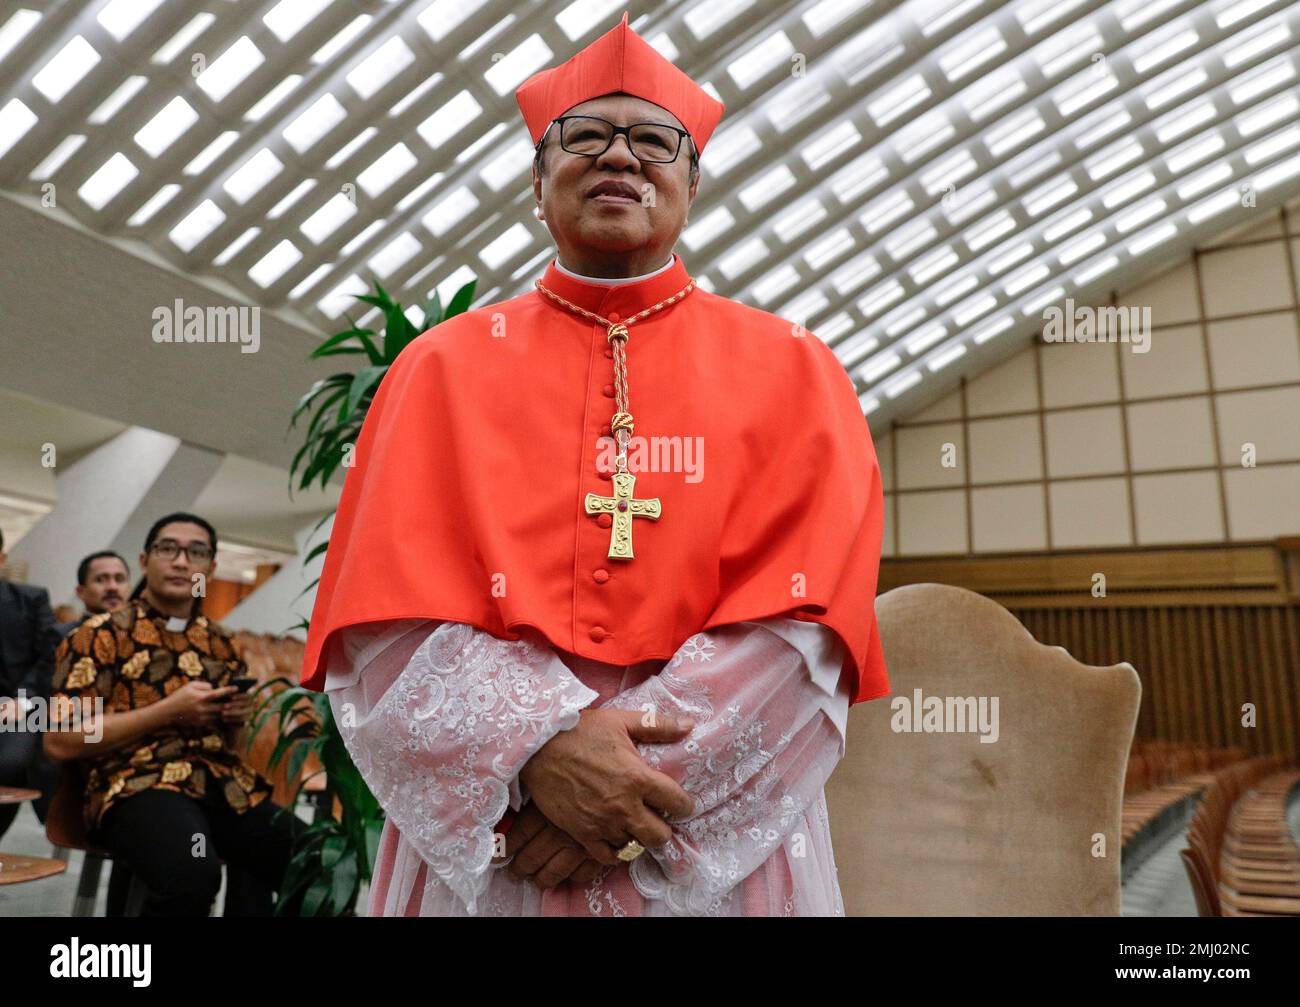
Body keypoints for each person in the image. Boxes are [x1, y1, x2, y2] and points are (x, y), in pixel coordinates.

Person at [300, 13, 889, 917]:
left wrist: (623, 794)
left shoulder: (796, 368)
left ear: (691, 182)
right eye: (585, 136)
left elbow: (804, 634)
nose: (621, 156)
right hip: (501, 846)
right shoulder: (439, 369)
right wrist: (537, 750)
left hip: (699, 846)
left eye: (654, 139)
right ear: (539, 184)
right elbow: (385, 623)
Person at [44, 513, 305, 916]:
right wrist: (168, 711)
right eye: (169, 549)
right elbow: (60, 739)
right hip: (136, 785)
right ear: (145, 561)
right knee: (191, 875)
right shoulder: (98, 634)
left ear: (211, 569)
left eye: (196, 552)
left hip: (221, 786)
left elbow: (229, 748)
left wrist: (233, 718)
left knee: (316, 862)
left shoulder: (221, 644)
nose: (182, 562)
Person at [0, 527, 60, 840]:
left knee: (9, 763)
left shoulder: (32, 600)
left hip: (19, 705)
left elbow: (48, 659)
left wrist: (22, 701)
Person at [56, 551, 131, 639]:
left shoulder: (144, 631)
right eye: (100, 580)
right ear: (81, 592)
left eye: (119, 579)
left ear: (129, 588)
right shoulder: (65, 636)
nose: (112, 587)